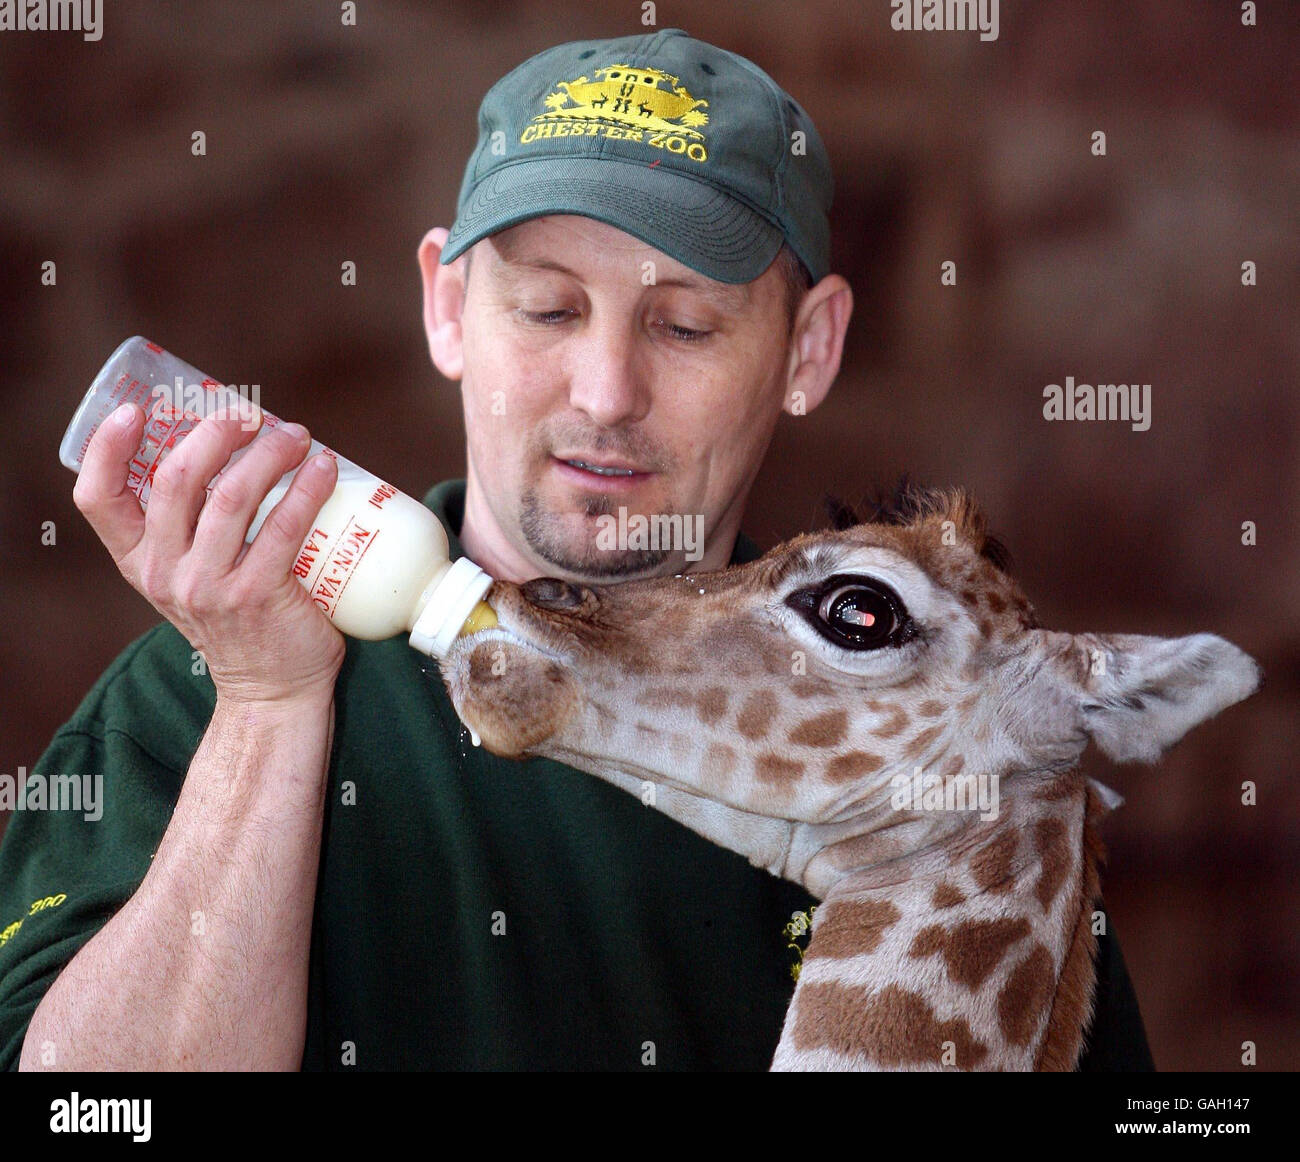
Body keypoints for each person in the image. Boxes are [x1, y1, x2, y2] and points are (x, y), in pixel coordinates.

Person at [0, 28, 1154, 1071]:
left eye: (684, 323)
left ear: (810, 349)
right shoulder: (182, 702)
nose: (606, 393)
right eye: (547, 310)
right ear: (446, 308)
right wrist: (265, 707)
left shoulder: (935, 752)